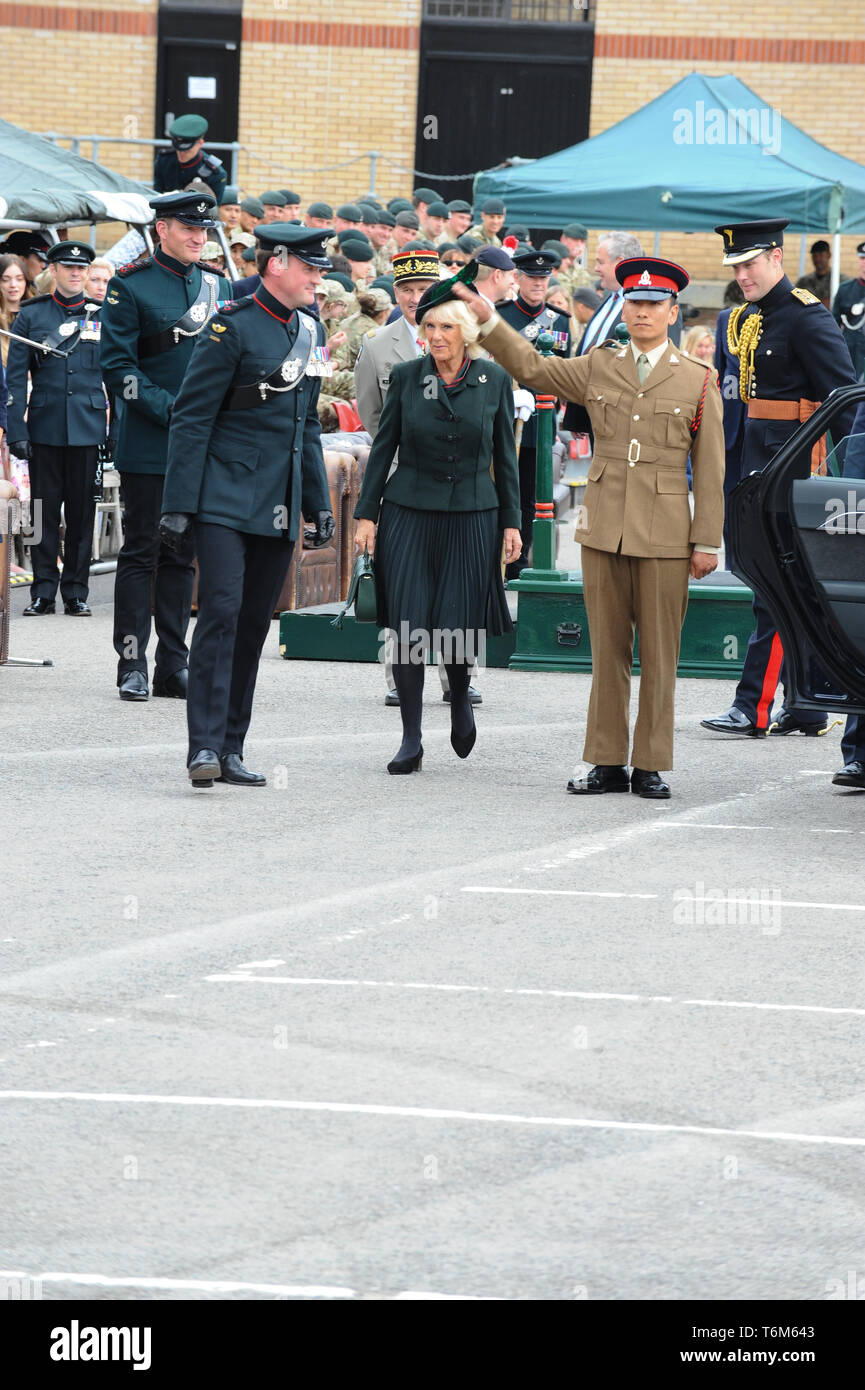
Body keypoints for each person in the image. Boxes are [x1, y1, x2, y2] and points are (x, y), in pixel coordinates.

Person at [454, 256, 725, 798]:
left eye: (654, 305)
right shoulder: (600, 364)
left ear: (673, 313)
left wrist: (706, 540)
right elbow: (534, 368)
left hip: (667, 534)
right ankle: (606, 760)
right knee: (607, 652)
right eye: (634, 303)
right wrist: (488, 321)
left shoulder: (697, 379)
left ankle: (650, 764)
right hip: (604, 527)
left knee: (661, 655)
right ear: (623, 309)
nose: (642, 312)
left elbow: (712, 466)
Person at [158, 225, 334, 787]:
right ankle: (204, 748)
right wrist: (178, 504)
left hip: (278, 500)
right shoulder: (228, 326)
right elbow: (192, 416)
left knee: (255, 623)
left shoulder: (311, 330)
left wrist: (317, 502)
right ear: (276, 264)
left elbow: (306, 425)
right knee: (221, 614)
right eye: (309, 269)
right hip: (224, 497)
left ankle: (232, 746)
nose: (317, 279)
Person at [353, 270, 521, 774]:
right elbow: (383, 447)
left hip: (472, 514)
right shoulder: (408, 378)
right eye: (429, 327)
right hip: (409, 512)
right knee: (407, 623)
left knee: (457, 619)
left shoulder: (493, 380)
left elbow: (505, 459)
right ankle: (410, 737)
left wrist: (511, 523)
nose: (436, 336)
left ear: (465, 332)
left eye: (446, 327)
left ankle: (460, 694)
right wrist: (366, 515)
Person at [700, 219, 858, 738]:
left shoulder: (807, 317)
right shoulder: (744, 318)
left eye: (749, 264)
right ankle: (807, 706)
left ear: (775, 257)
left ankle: (754, 706)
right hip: (753, 467)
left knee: (775, 589)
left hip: (793, 470)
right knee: (786, 587)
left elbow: (843, 401)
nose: (742, 275)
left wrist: (853, 475)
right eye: (735, 267)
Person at [100, 191, 231, 701]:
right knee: (142, 552)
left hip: (202, 445)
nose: (199, 238)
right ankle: (132, 662)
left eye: (204, 229)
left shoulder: (217, 284)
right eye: (189, 229)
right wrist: (171, 410)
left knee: (182, 556)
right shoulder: (129, 286)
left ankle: (174, 664)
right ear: (163, 229)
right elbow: (118, 368)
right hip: (151, 441)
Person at [354, 247, 480, 708]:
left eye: (423, 289)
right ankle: (398, 675)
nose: (414, 298)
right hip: (401, 479)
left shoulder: (465, 339)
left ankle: (458, 677)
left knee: (457, 581)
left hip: (456, 481)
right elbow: (372, 413)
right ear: (395, 292)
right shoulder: (376, 345)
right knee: (402, 579)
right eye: (406, 289)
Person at [5, 242, 110, 616]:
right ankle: (43, 590)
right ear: (54, 270)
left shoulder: (104, 316)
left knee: (82, 515)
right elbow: (15, 381)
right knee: (41, 513)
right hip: (45, 427)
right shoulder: (32, 315)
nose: (76, 273)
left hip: (88, 428)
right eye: (68, 267)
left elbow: (116, 374)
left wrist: (115, 430)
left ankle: (76, 591)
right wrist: (16, 430)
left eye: (82, 268)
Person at [498, 246, 572, 577]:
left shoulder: (560, 320)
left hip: (539, 422)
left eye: (544, 278)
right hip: (504, 416)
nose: (538, 283)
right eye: (531, 277)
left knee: (531, 495)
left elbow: (566, 371)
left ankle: (518, 564)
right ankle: (495, 559)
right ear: (518, 278)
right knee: (501, 491)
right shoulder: (501, 315)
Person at [154, 115, 227, 203]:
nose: (181, 152)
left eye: (187, 149)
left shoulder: (215, 173)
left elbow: (214, 207)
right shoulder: (164, 160)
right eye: (178, 148)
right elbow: (157, 196)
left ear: (200, 143)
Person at [832, 240, 865, 382]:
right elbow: (833, 325)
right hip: (850, 355)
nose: (864, 263)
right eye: (862, 258)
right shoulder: (845, 289)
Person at [795, 240, 832, 307]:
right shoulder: (803, 282)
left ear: (829, 255)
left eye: (821, 255)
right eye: (814, 255)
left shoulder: (840, 280)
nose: (817, 259)